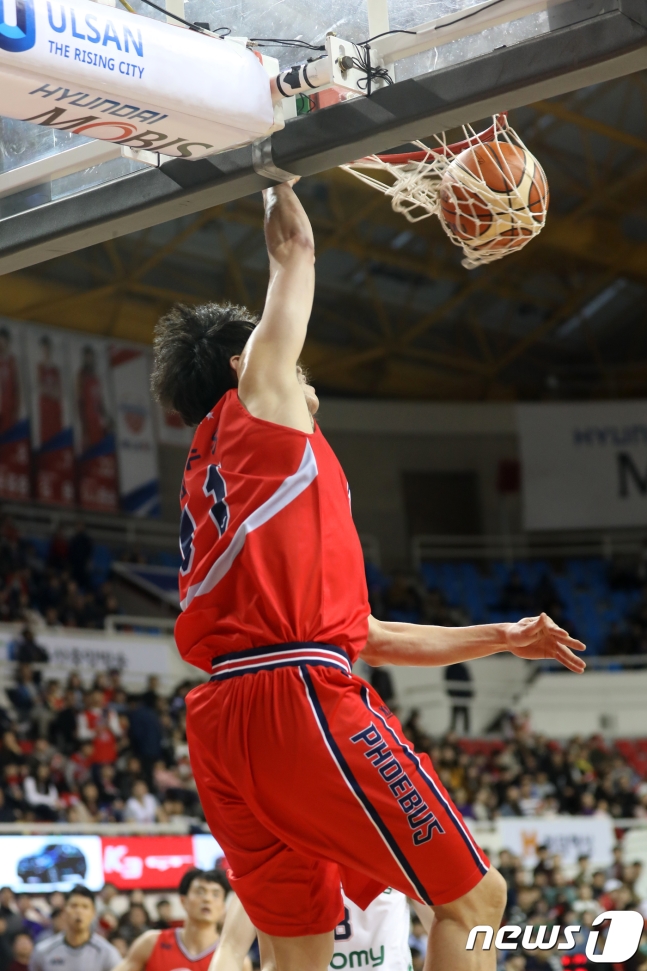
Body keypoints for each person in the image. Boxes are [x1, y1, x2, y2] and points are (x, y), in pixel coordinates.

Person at [151, 181, 587, 971]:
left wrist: (500, 636)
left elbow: (365, 635)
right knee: (475, 900)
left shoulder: (212, 472)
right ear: (245, 360)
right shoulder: (261, 408)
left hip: (224, 720)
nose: (298, 363)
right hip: (295, 699)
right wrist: (272, 163)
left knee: (298, 953)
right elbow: (294, 250)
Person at [113, 869, 228, 971]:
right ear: (183, 901)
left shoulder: (232, 957)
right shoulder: (151, 943)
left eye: (215, 894)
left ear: (223, 906)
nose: (207, 899)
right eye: (200, 892)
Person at [29, 887, 121, 971]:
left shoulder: (107, 953)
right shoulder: (43, 951)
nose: (79, 911)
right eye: (74, 906)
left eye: (85, 907)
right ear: (64, 911)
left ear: (93, 913)